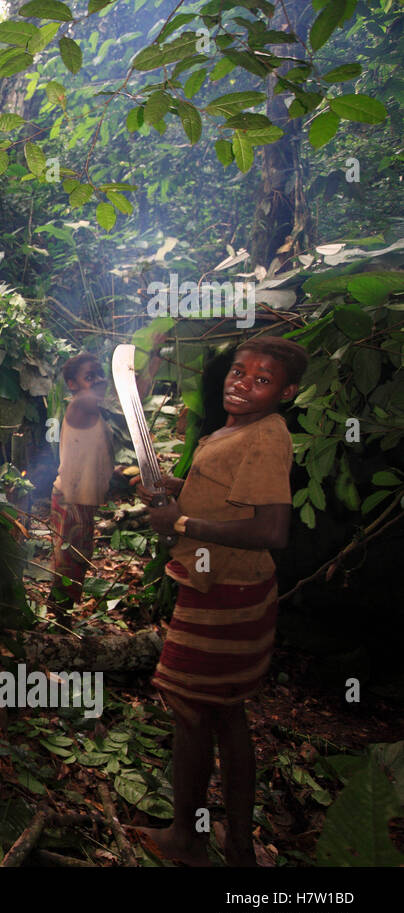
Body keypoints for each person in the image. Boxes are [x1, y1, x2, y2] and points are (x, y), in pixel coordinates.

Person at [130, 336, 308, 866]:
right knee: (227, 712)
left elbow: (272, 528)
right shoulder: (241, 428)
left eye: (262, 379)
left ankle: (186, 839)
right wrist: (177, 486)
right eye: (239, 370)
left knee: (188, 709)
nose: (242, 382)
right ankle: (235, 849)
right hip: (226, 585)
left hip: (225, 594)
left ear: (287, 391)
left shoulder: (267, 436)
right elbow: (227, 494)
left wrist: (180, 521)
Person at [49, 352, 115, 626]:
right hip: (71, 499)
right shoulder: (80, 405)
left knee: (76, 560)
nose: (99, 380)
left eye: (100, 374)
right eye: (90, 377)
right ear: (73, 385)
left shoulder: (92, 409)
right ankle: (58, 621)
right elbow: (122, 398)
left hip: (80, 498)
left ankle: (60, 618)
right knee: (69, 561)